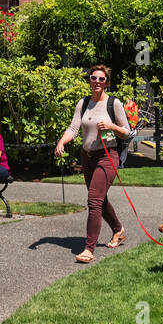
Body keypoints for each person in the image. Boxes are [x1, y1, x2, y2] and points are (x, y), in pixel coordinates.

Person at [54, 63, 132, 263]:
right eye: (94, 78)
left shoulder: (113, 103)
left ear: (106, 82)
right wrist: (62, 141)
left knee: (94, 201)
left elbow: (127, 131)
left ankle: (89, 249)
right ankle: (118, 229)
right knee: (99, 199)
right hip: (87, 157)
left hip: (107, 157)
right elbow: (73, 128)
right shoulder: (83, 103)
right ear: (89, 80)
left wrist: (111, 126)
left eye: (101, 79)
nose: (97, 81)